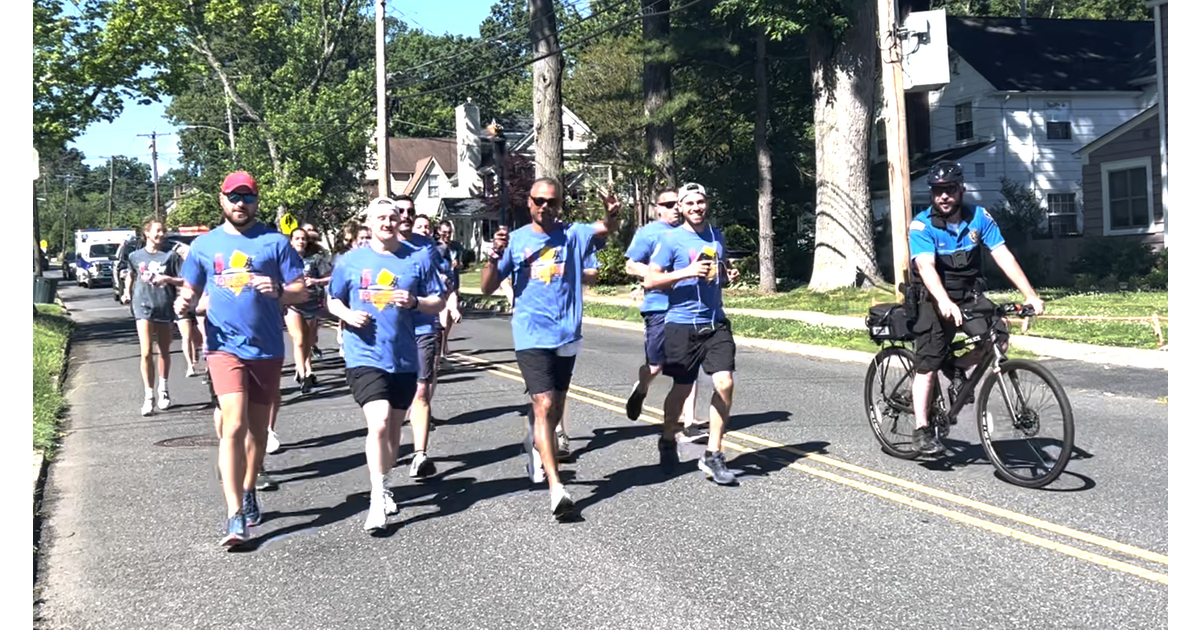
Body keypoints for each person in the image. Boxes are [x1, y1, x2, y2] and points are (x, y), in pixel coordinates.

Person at [175, 171, 307, 548]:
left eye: (247, 197)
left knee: (257, 431)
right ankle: (235, 516)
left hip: (265, 347)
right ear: (222, 200)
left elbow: (299, 291)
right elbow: (189, 289)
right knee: (231, 427)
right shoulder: (204, 245)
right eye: (233, 197)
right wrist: (184, 302)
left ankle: (249, 487)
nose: (240, 203)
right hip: (223, 347)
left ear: (256, 201)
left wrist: (280, 290)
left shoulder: (275, 242)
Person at [481, 177, 621, 520]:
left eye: (552, 202)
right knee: (542, 403)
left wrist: (613, 214)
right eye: (539, 200)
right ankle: (556, 487)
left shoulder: (573, 233)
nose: (544, 206)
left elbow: (606, 228)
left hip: (567, 333)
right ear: (528, 202)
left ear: (560, 205)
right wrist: (494, 257)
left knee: (556, 405)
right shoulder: (514, 241)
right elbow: (486, 288)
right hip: (531, 335)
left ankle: (536, 446)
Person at [907, 161, 1045, 455]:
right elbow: (926, 267)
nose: (943, 196)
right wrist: (944, 302)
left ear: (961, 189)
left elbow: (1002, 254)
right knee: (928, 366)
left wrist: (1030, 295)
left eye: (950, 190)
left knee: (998, 339)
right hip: (933, 297)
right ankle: (920, 429)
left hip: (969, 294)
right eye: (938, 191)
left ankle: (957, 368)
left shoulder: (980, 217)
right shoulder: (922, 225)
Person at [327, 197, 446, 532]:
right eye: (380, 217)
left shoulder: (417, 258)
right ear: (369, 221)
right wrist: (348, 315)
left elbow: (437, 300)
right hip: (364, 354)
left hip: (403, 357)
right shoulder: (351, 261)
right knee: (378, 423)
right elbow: (332, 298)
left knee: (393, 436)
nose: (387, 222)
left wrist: (415, 301)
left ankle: (385, 479)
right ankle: (376, 497)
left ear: (399, 222)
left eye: (393, 217)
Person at [645, 183, 740, 485]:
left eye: (701, 202)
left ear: (706, 204)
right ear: (681, 208)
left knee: (724, 383)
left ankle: (713, 454)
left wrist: (727, 274)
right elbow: (650, 279)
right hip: (681, 325)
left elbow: (717, 273)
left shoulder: (716, 236)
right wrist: (686, 272)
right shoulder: (671, 240)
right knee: (682, 390)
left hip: (715, 323)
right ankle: (668, 438)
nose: (697, 207)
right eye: (690, 203)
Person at [622, 189, 704, 441]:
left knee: (690, 365)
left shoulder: (691, 232)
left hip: (687, 307)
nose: (674, 209)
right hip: (658, 307)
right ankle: (642, 387)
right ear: (657, 208)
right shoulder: (649, 233)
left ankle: (689, 424)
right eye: (668, 205)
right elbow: (629, 264)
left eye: (676, 204)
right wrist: (655, 273)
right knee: (656, 366)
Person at [397, 202, 448, 478]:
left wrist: (442, 299)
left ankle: (419, 454)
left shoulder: (427, 248)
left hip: (423, 327)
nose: (405, 216)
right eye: (400, 211)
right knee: (393, 394)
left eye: (410, 211)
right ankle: (390, 441)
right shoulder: (380, 247)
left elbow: (441, 283)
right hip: (391, 331)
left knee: (421, 390)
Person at [121, 219, 184, 416]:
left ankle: (163, 389)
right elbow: (131, 275)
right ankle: (149, 396)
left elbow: (182, 279)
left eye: (163, 231)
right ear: (147, 233)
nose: (161, 234)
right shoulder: (135, 256)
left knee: (164, 351)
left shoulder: (171, 256)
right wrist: (126, 292)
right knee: (146, 351)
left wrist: (171, 282)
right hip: (142, 305)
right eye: (157, 231)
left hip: (164, 305)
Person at [285, 227, 332, 393]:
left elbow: (330, 278)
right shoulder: (284, 260)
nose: (300, 241)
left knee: (309, 341)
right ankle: (303, 374)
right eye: (296, 238)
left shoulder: (315, 259)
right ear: (291, 241)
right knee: (298, 339)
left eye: (303, 238)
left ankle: (305, 367)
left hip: (311, 303)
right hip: (292, 305)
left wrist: (315, 281)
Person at [173, 242, 205, 377]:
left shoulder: (201, 266)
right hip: (183, 306)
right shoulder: (177, 266)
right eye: (183, 253)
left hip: (199, 306)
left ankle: (208, 365)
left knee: (202, 338)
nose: (186, 255)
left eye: (188, 253)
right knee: (186, 336)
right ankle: (190, 366)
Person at [435, 220, 465, 361]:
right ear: (439, 232)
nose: (447, 235)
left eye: (449, 232)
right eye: (444, 232)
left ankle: (443, 344)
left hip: (453, 284)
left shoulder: (456, 247)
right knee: (443, 320)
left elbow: (460, 263)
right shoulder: (435, 247)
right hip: (440, 287)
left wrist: (458, 264)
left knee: (450, 321)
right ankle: (440, 353)